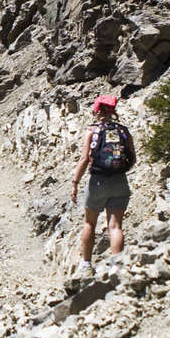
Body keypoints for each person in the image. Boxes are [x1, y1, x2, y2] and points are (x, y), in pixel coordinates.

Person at [69, 95, 135, 278]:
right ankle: (116, 267)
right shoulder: (123, 130)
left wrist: (75, 183)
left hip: (97, 181)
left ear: (97, 110)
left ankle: (86, 265)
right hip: (119, 181)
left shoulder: (92, 130)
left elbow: (84, 159)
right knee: (115, 227)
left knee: (89, 222)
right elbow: (133, 158)